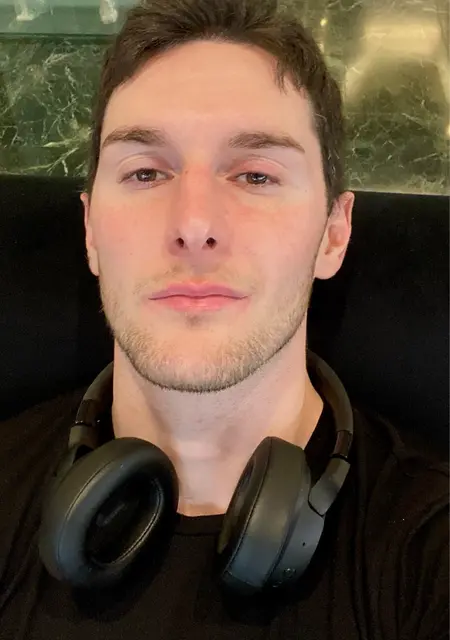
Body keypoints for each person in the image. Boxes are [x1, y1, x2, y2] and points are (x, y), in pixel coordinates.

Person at [0, 0, 448, 638]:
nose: (194, 224)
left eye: (256, 176)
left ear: (334, 233)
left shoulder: (428, 550)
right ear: (90, 230)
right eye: (146, 171)